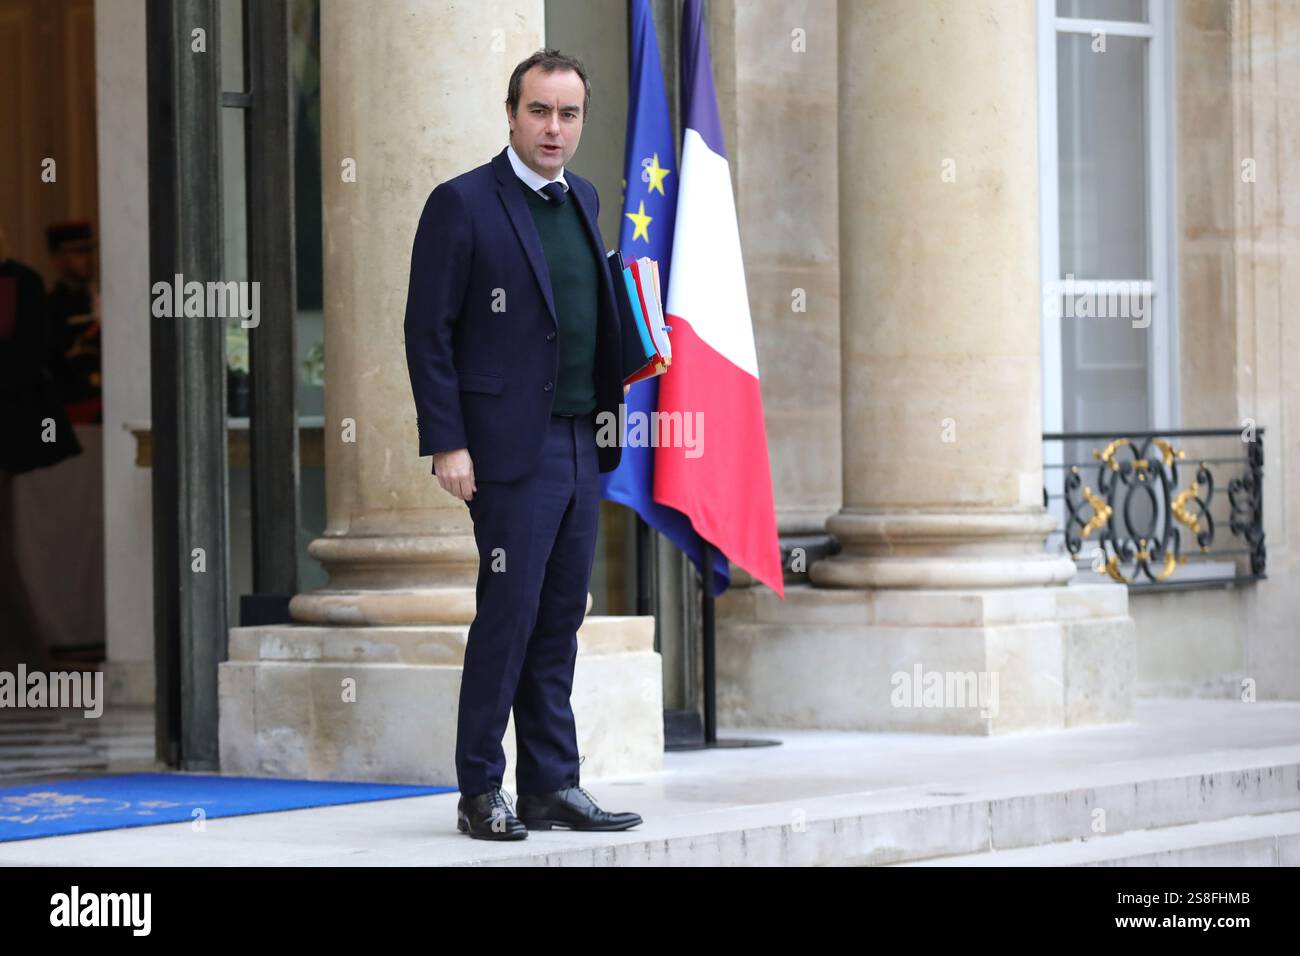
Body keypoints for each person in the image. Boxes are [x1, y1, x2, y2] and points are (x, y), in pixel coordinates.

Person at [404, 48, 642, 840]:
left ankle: (550, 784)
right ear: (511, 113)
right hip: (508, 450)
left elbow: (582, 307)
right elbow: (427, 331)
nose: (553, 127)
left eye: (568, 114)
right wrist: (448, 442)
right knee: (508, 613)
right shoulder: (463, 203)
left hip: (580, 439)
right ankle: (480, 790)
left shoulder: (585, 199)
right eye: (539, 111)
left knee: (559, 617)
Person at [44, 220, 102, 424]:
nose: (86, 259)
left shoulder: (100, 300)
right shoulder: (49, 307)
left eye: (88, 251)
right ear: (58, 258)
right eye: (77, 252)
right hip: (72, 410)